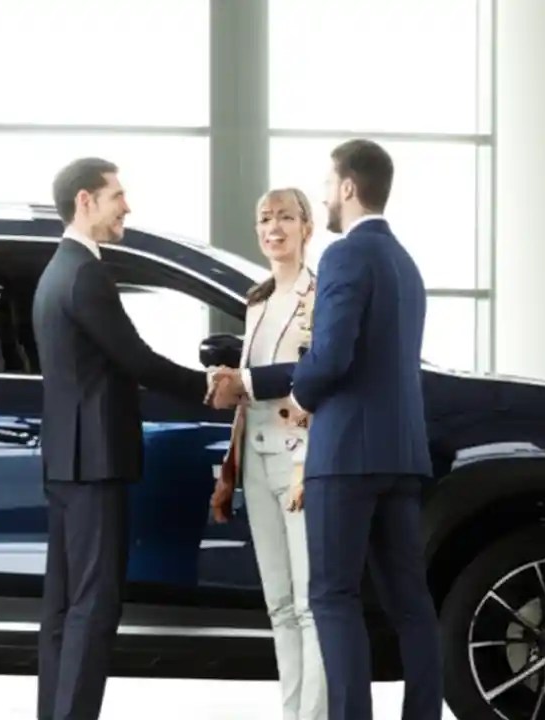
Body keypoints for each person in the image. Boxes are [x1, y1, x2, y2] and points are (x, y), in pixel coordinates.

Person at [208, 139, 442, 720]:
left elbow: (332, 358)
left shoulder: (344, 257)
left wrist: (297, 391)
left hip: (344, 455)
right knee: (412, 604)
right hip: (403, 454)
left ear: (345, 188)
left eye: (324, 186)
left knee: (332, 599)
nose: (321, 195)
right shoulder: (406, 264)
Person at [32, 157, 211, 720]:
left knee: (62, 609)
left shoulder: (55, 271)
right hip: (96, 463)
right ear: (86, 201)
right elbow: (136, 360)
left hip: (66, 461)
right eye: (117, 195)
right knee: (93, 606)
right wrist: (211, 390)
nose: (126, 206)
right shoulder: (85, 273)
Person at [210, 187, 327, 720]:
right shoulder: (256, 301)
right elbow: (244, 401)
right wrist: (229, 473)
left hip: (299, 458)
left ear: (307, 227)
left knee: (309, 607)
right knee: (279, 605)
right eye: (264, 218)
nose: (273, 227)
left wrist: (310, 466)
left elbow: (322, 383)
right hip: (256, 462)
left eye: (285, 217)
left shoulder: (321, 297)